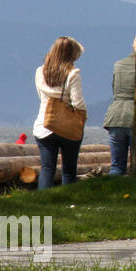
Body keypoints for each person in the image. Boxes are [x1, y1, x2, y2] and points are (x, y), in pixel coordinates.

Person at [32, 36, 87, 189]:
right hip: (67, 126)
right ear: (72, 54)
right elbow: (78, 102)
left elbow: (40, 95)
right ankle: (66, 199)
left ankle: (43, 201)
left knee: (47, 168)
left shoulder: (40, 71)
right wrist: (82, 116)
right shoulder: (73, 73)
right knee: (69, 170)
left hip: (44, 124)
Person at [101, 38, 136, 175]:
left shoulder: (119, 65)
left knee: (116, 167)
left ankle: (112, 194)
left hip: (116, 116)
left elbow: (115, 90)